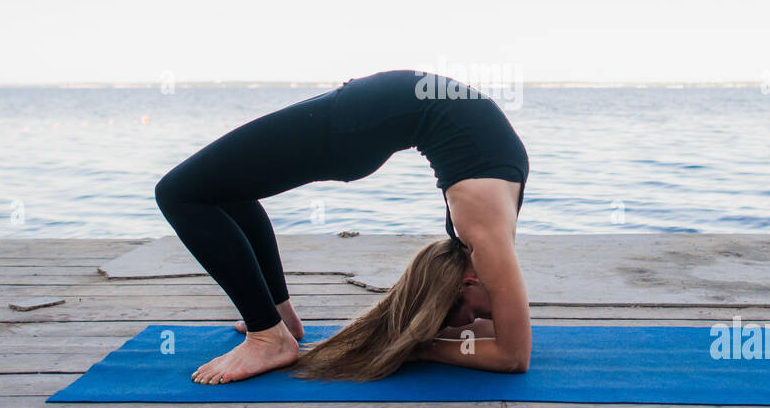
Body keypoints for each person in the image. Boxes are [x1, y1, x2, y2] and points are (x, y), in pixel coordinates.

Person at [152, 69, 530, 383]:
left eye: (474, 318)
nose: (487, 318)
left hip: (354, 125)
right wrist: (417, 341)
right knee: (218, 188)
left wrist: (416, 346)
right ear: (468, 282)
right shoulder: (486, 238)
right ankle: (277, 318)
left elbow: (512, 355)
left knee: (179, 193)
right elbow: (510, 349)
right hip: (357, 121)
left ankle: (268, 336)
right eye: (474, 318)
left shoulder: (484, 234)